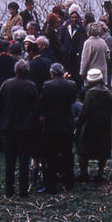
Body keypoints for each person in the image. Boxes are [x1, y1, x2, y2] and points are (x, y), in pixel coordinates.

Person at [0, 59, 40, 197]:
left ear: (15, 70)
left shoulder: (6, 84)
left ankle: (9, 190)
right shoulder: (30, 86)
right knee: (24, 160)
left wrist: (3, 118)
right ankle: (23, 190)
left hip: (9, 126)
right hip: (25, 128)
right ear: (27, 71)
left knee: (10, 159)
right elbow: (36, 108)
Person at [39, 63, 78, 192]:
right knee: (67, 154)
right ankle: (69, 182)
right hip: (66, 123)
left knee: (50, 155)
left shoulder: (47, 85)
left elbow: (42, 103)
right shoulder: (71, 85)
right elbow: (73, 100)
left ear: (52, 73)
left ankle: (50, 185)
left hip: (51, 125)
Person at [75, 68, 112, 182]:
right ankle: (100, 173)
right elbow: (111, 111)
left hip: (91, 126)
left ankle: (84, 173)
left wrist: (78, 123)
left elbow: (85, 112)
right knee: (103, 150)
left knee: (83, 150)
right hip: (105, 126)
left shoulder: (90, 94)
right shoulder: (108, 93)